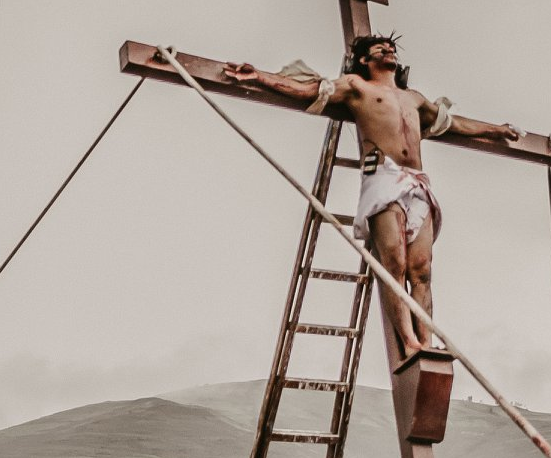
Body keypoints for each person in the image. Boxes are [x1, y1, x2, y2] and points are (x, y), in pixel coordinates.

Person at [223, 36, 521, 360]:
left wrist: (495, 130)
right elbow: (310, 90)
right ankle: (410, 342)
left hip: (417, 184)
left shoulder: (414, 99)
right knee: (395, 263)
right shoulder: (357, 87)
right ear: (364, 60)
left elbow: (453, 123)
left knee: (422, 269)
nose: (388, 51)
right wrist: (260, 77)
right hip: (384, 178)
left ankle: (427, 340)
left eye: (391, 49)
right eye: (380, 49)